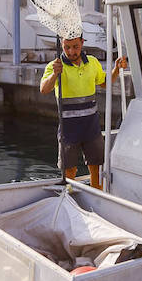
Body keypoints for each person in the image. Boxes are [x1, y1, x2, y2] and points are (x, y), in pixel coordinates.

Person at [40, 34, 127, 189]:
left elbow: (104, 83)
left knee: (96, 166)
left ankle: (97, 199)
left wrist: (116, 69)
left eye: (75, 47)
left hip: (91, 125)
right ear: (61, 44)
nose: (71, 51)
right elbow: (44, 89)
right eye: (67, 47)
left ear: (82, 43)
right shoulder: (55, 65)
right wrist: (55, 74)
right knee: (69, 170)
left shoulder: (92, 62)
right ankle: (68, 199)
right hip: (68, 127)